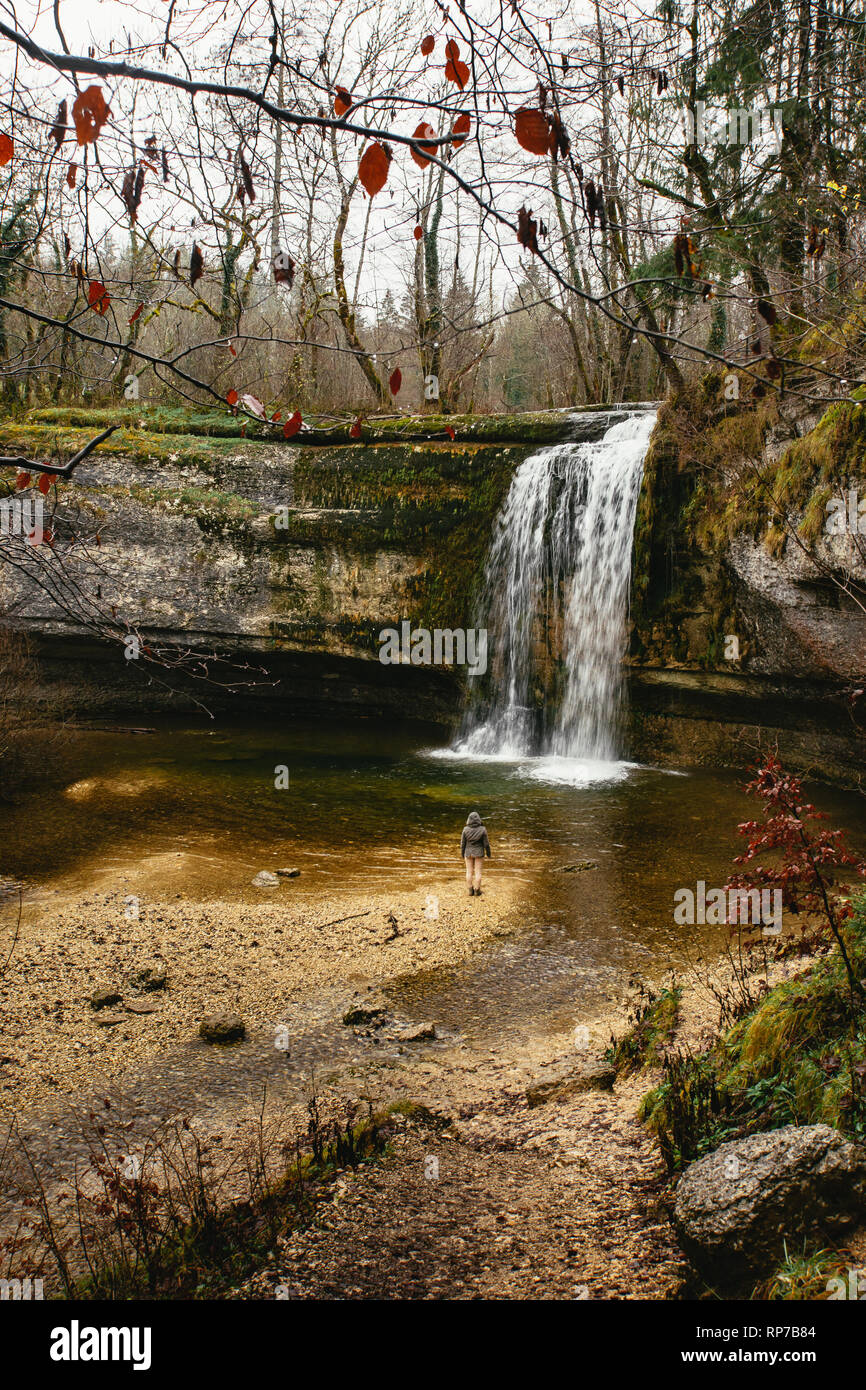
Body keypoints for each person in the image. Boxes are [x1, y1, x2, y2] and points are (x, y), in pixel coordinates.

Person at [460, 810, 491, 896]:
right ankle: (477, 890)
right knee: (478, 872)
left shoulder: (465, 829)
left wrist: (462, 853)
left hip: (468, 853)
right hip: (479, 853)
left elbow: (462, 844)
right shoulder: (483, 829)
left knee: (469, 872)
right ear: (479, 820)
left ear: (468, 820)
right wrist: (488, 853)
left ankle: (470, 890)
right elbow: (486, 844)